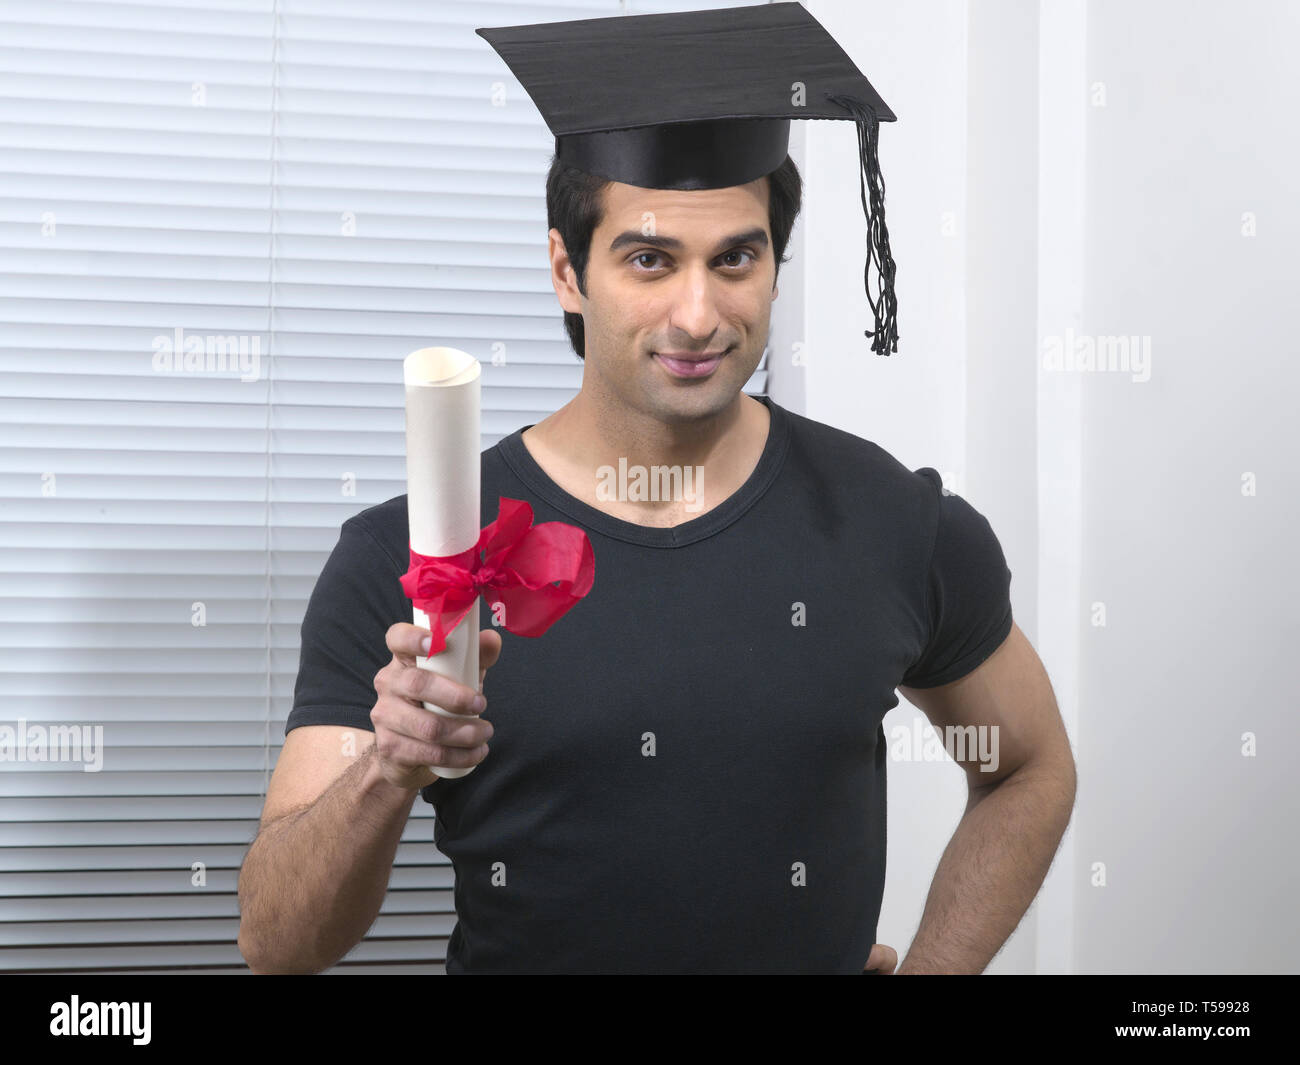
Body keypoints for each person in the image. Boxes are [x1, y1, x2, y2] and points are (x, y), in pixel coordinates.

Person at [236, 2, 1076, 975]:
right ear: (567, 270)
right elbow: (277, 946)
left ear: (773, 264)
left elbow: (1027, 765)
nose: (697, 313)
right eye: (648, 259)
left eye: (736, 257)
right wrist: (389, 767)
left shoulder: (891, 522)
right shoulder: (415, 553)